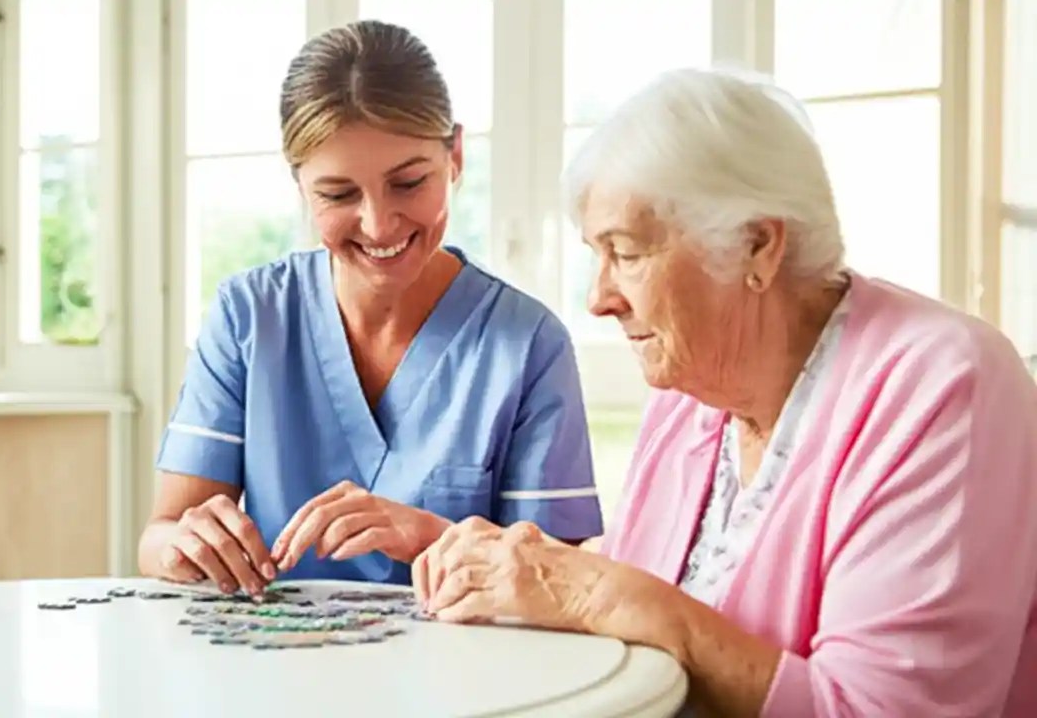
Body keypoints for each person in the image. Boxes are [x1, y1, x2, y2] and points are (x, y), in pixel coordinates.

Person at [413, 67, 1037, 717]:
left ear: (756, 246)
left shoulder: (943, 388)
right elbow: (648, 604)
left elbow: (879, 710)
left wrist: (598, 594)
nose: (598, 299)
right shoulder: (693, 392)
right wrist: (501, 565)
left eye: (625, 253)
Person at [138, 20, 602, 597]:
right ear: (299, 186)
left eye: (409, 183)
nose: (380, 224)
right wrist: (185, 546)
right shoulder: (247, 318)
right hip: (274, 671)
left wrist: (428, 534)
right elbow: (160, 536)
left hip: (469, 680)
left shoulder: (527, 344)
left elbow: (567, 583)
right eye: (338, 195)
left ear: (455, 156)